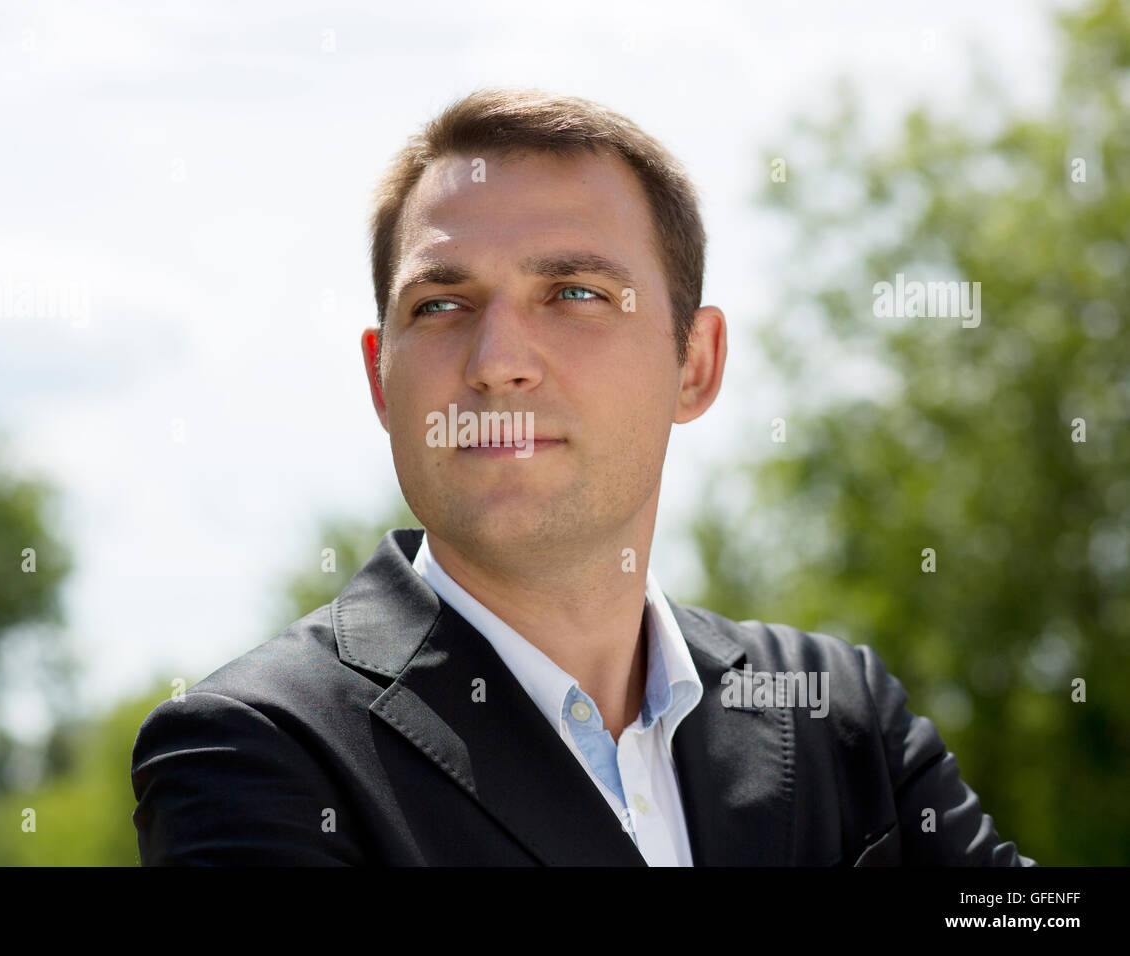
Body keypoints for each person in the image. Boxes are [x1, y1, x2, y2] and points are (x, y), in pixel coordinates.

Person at [130, 87, 1034, 866]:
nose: (498, 362)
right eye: (441, 305)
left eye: (573, 294)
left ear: (696, 364)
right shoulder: (256, 749)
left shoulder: (840, 713)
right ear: (380, 377)